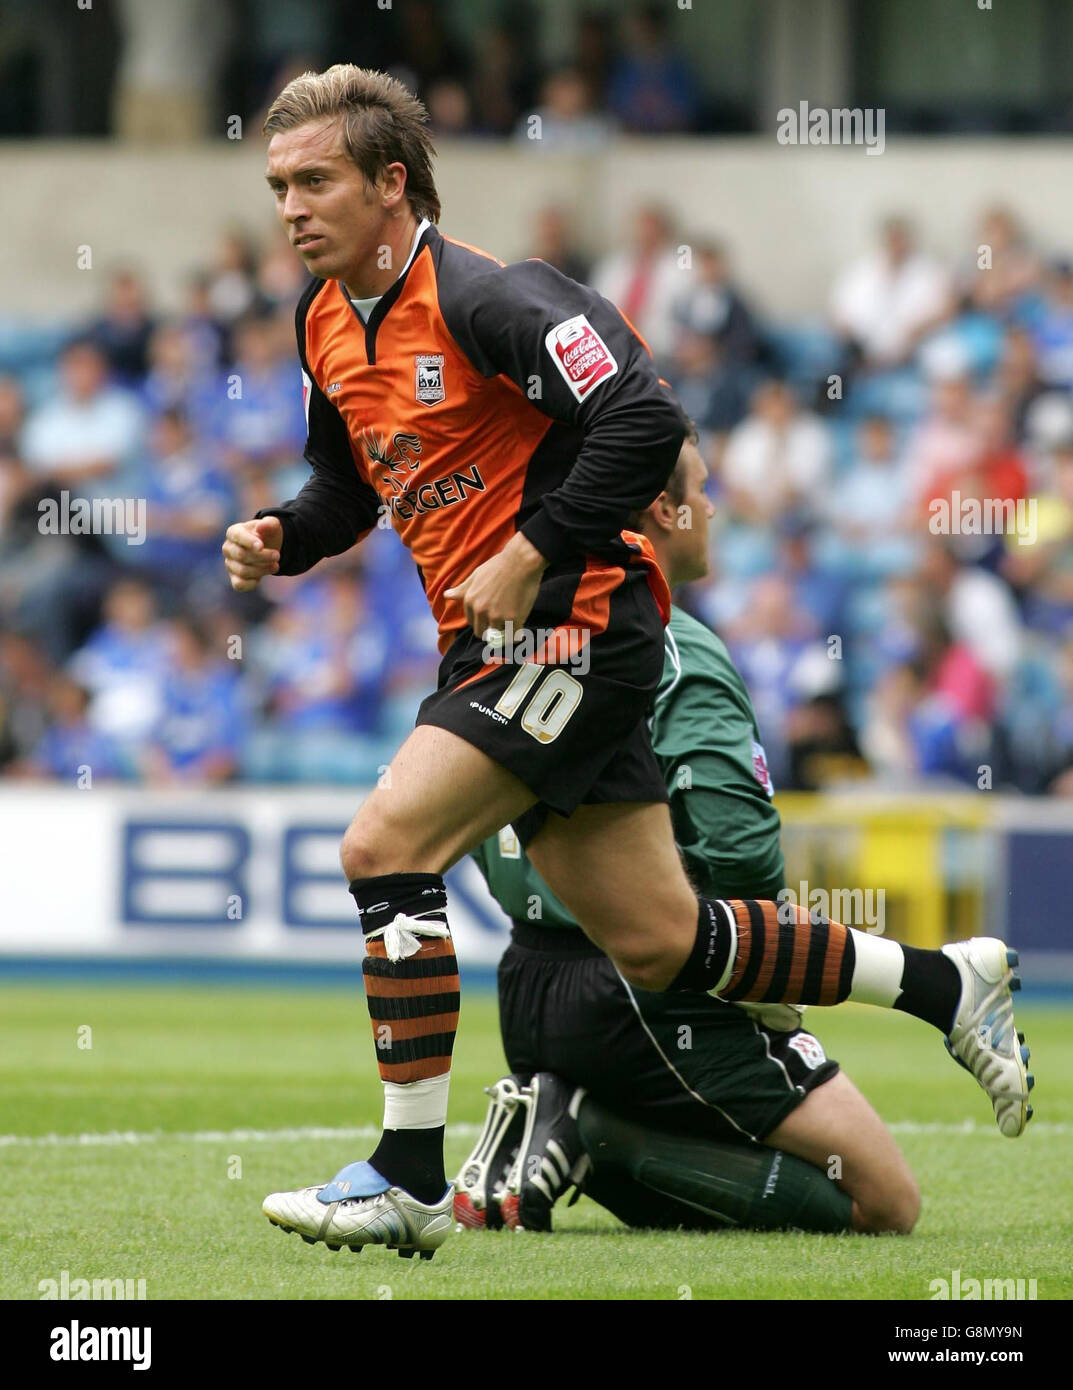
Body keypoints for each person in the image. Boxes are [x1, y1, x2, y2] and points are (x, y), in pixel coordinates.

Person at [222, 66, 1030, 1262]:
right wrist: (288, 533)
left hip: (574, 627)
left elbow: (645, 416)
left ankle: (403, 1175)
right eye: (279, 183)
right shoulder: (324, 320)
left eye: (316, 180)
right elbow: (352, 486)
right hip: (490, 637)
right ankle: (941, 983)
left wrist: (533, 547)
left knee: (381, 848)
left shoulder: (494, 296)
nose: (291, 206)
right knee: (658, 939)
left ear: (392, 185)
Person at [457, 432, 1033, 1236]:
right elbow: (740, 855)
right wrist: (758, 986)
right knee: (882, 1204)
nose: (715, 507)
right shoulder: (671, 650)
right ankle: (587, 1127)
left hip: (527, 990)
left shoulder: (510, 632)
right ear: (661, 509)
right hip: (650, 989)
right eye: (701, 487)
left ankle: (570, 1118)